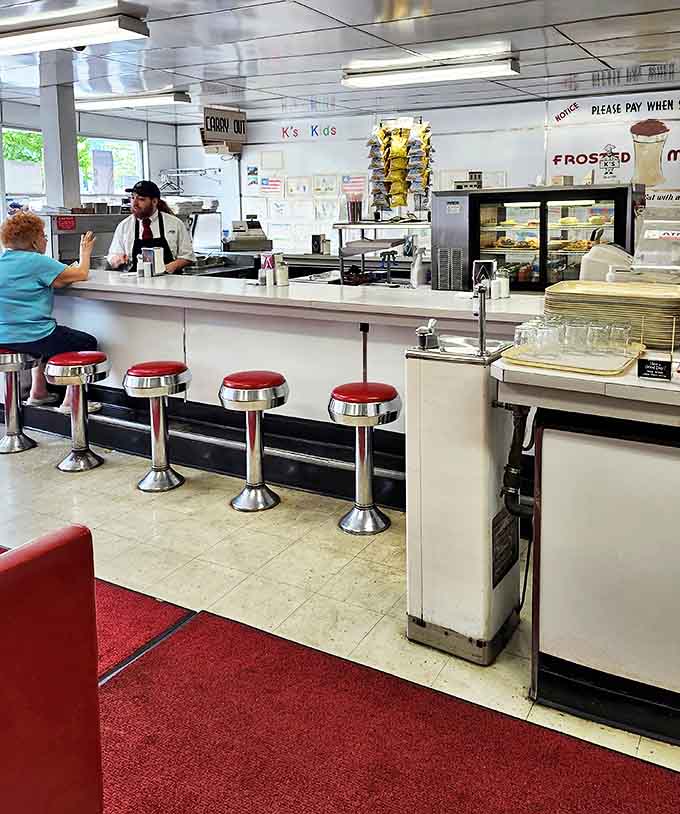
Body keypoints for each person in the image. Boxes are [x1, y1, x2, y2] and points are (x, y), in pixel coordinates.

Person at [0, 211, 98, 411]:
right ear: (34, 242)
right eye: (43, 236)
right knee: (84, 342)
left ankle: (38, 392)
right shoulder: (37, 261)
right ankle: (72, 401)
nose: (45, 239)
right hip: (33, 336)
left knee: (50, 337)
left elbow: (58, 279)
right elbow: (80, 274)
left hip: (4, 337)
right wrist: (85, 252)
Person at [107, 180, 195, 274]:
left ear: (154, 201)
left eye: (141, 199)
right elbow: (112, 257)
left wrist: (171, 266)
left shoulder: (175, 224)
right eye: (132, 198)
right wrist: (117, 260)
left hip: (170, 282)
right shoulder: (124, 226)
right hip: (135, 284)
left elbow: (188, 256)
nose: (134, 203)